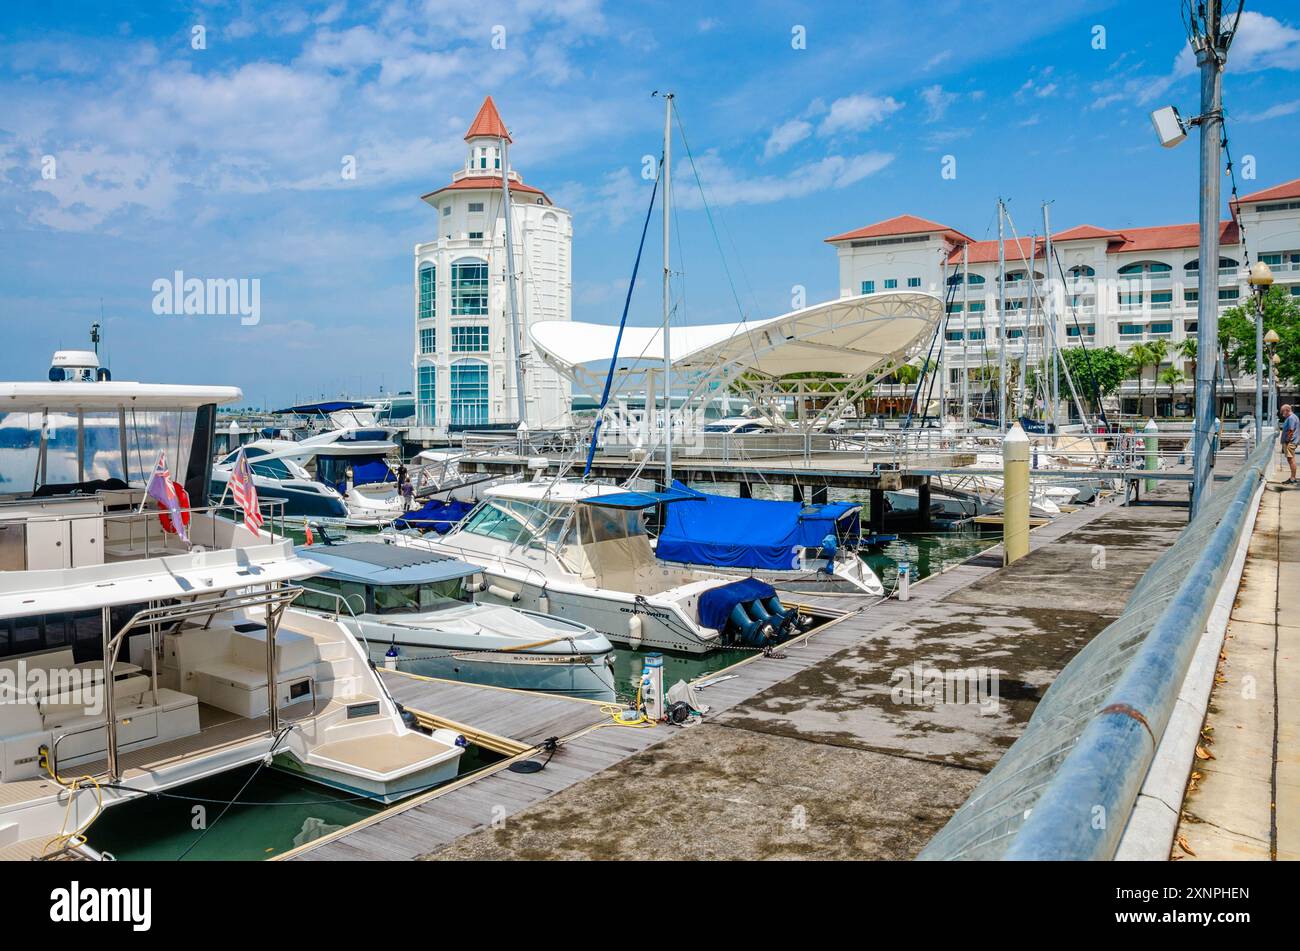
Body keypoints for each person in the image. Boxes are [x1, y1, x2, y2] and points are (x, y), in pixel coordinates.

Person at [1281, 404, 1299, 485]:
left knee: (1291, 460)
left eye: (1282, 411)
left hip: (1290, 442)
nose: (1282, 413)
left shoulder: (1291, 418)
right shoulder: (1292, 417)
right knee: (1291, 460)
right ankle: (1293, 477)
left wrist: (1287, 440)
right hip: (1291, 441)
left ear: (1287, 410)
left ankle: (1293, 478)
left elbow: (1291, 430)